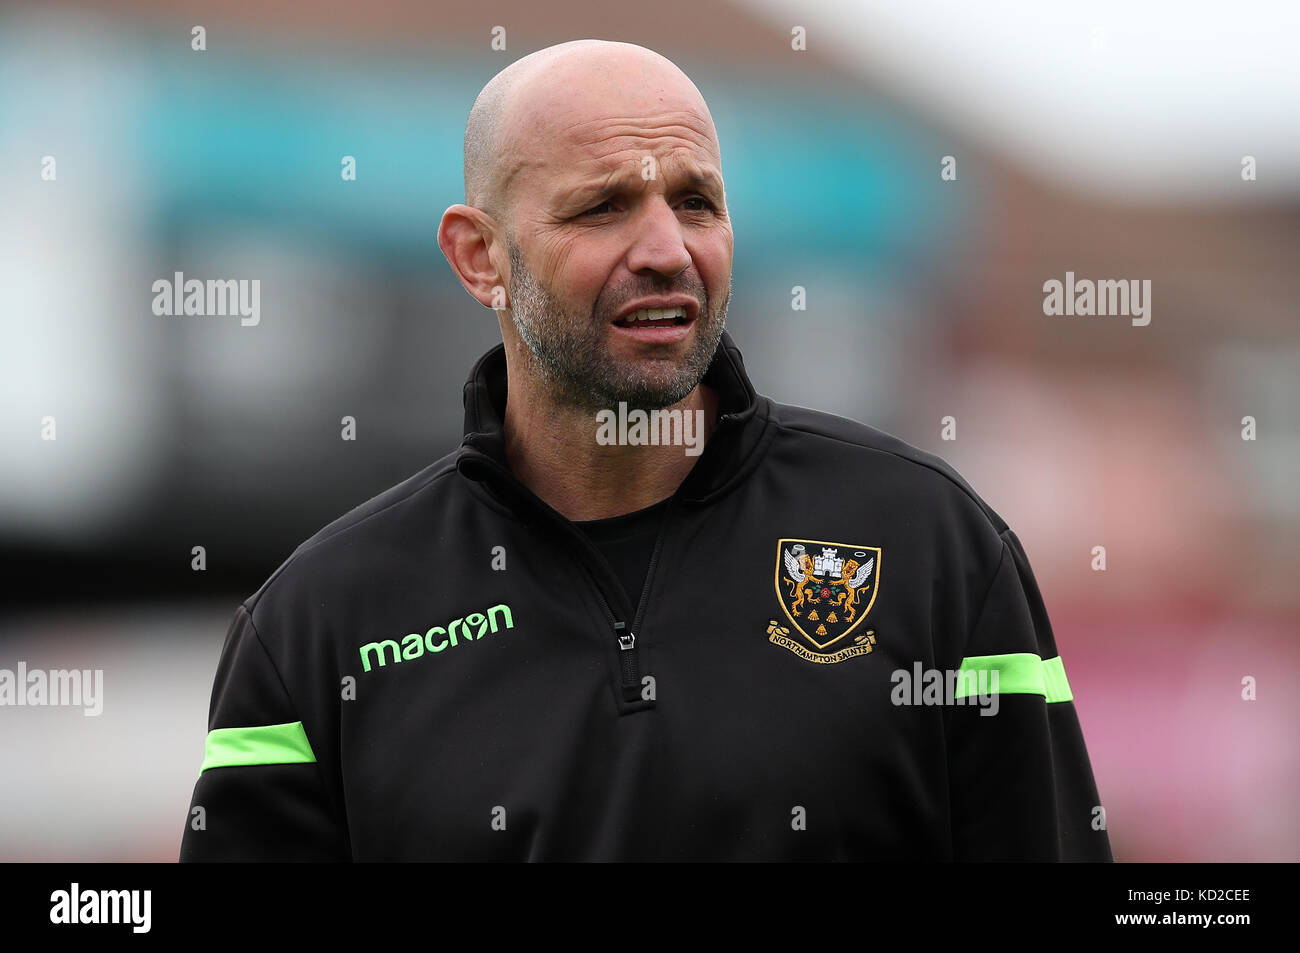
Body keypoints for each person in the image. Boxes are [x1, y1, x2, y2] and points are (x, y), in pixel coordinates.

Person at [179, 39, 1111, 861]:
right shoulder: (317, 623)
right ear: (479, 257)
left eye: (696, 201)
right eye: (604, 208)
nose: (667, 248)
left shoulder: (931, 547)